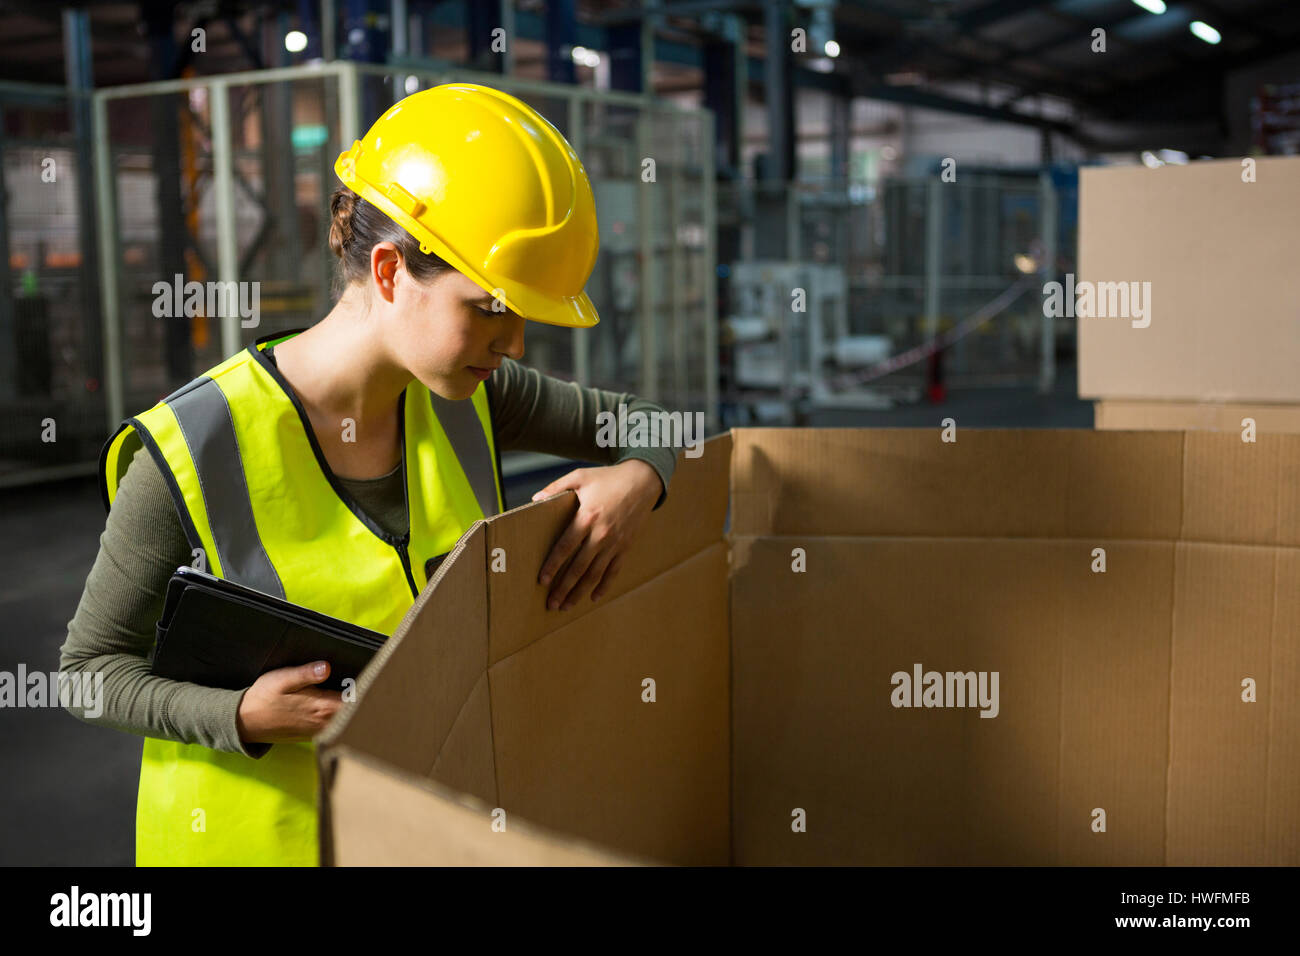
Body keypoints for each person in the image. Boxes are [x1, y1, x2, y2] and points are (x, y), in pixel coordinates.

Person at [59, 83, 679, 866]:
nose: (515, 343)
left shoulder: (470, 395)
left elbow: (663, 426)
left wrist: (639, 481)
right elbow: (86, 675)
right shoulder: (191, 447)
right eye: (491, 307)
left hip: (417, 834)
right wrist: (242, 714)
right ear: (388, 271)